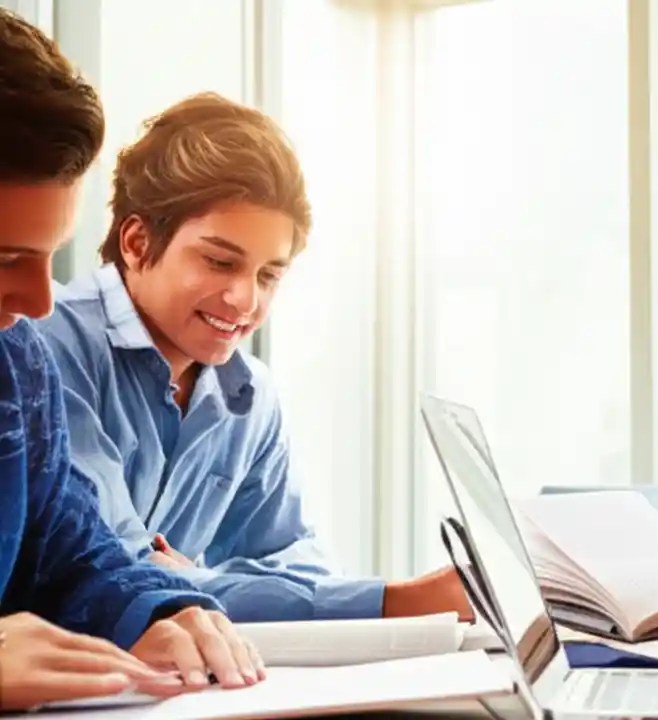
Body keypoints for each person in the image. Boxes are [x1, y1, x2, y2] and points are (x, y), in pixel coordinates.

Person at [35, 92, 471, 623]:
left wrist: (191, 581)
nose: (245, 300)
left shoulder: (250, 398)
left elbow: (300, 566)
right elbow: (118, 575)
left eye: (269, 275)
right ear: (135, 242)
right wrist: (391, 602)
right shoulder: (46, 346)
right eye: (220, 262)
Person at [0, 8, 262, 709]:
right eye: (4, 259)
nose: (37, 300)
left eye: (47, 257)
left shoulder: (13, 360)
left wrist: (161, 610)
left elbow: (72, 548)